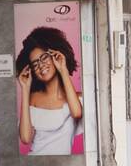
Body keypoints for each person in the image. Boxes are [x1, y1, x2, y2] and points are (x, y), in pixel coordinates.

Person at [16, 26, 83, 155]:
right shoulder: (33, 98)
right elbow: (25, 138)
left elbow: (77, 113)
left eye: (44, 58)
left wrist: (62, 69)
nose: (41, 65)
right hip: (36, 163)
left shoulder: (76, 99)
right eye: (35, 64)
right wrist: (25, 89)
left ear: (55, 55)